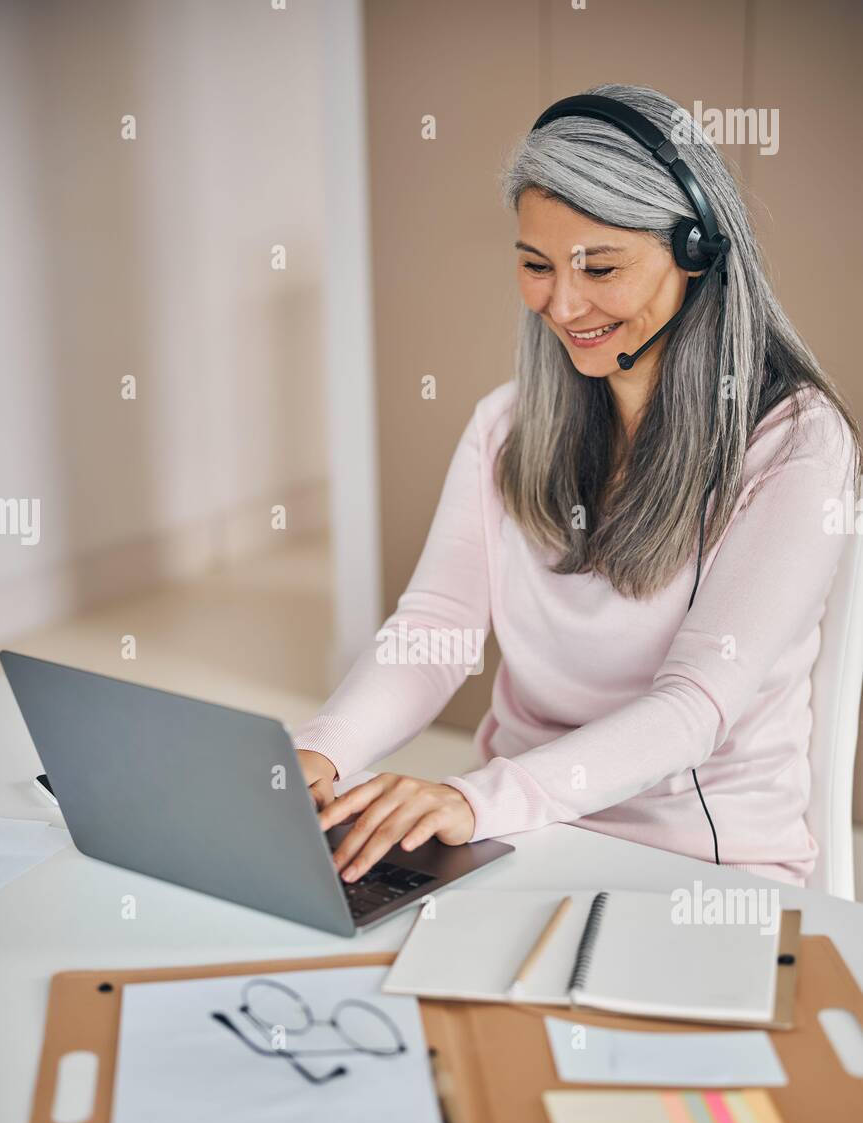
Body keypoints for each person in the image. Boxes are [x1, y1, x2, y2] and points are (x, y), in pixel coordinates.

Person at [293, 82, 860, 890]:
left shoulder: (795, 443)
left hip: (700, 865)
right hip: (512, 837)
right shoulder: (507, 424)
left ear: (697, 253)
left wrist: (475, 796)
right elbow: (438, 627)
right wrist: (324, 747)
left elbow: (694, 708)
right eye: (535, 265)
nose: (562, 303)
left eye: (601, 266)